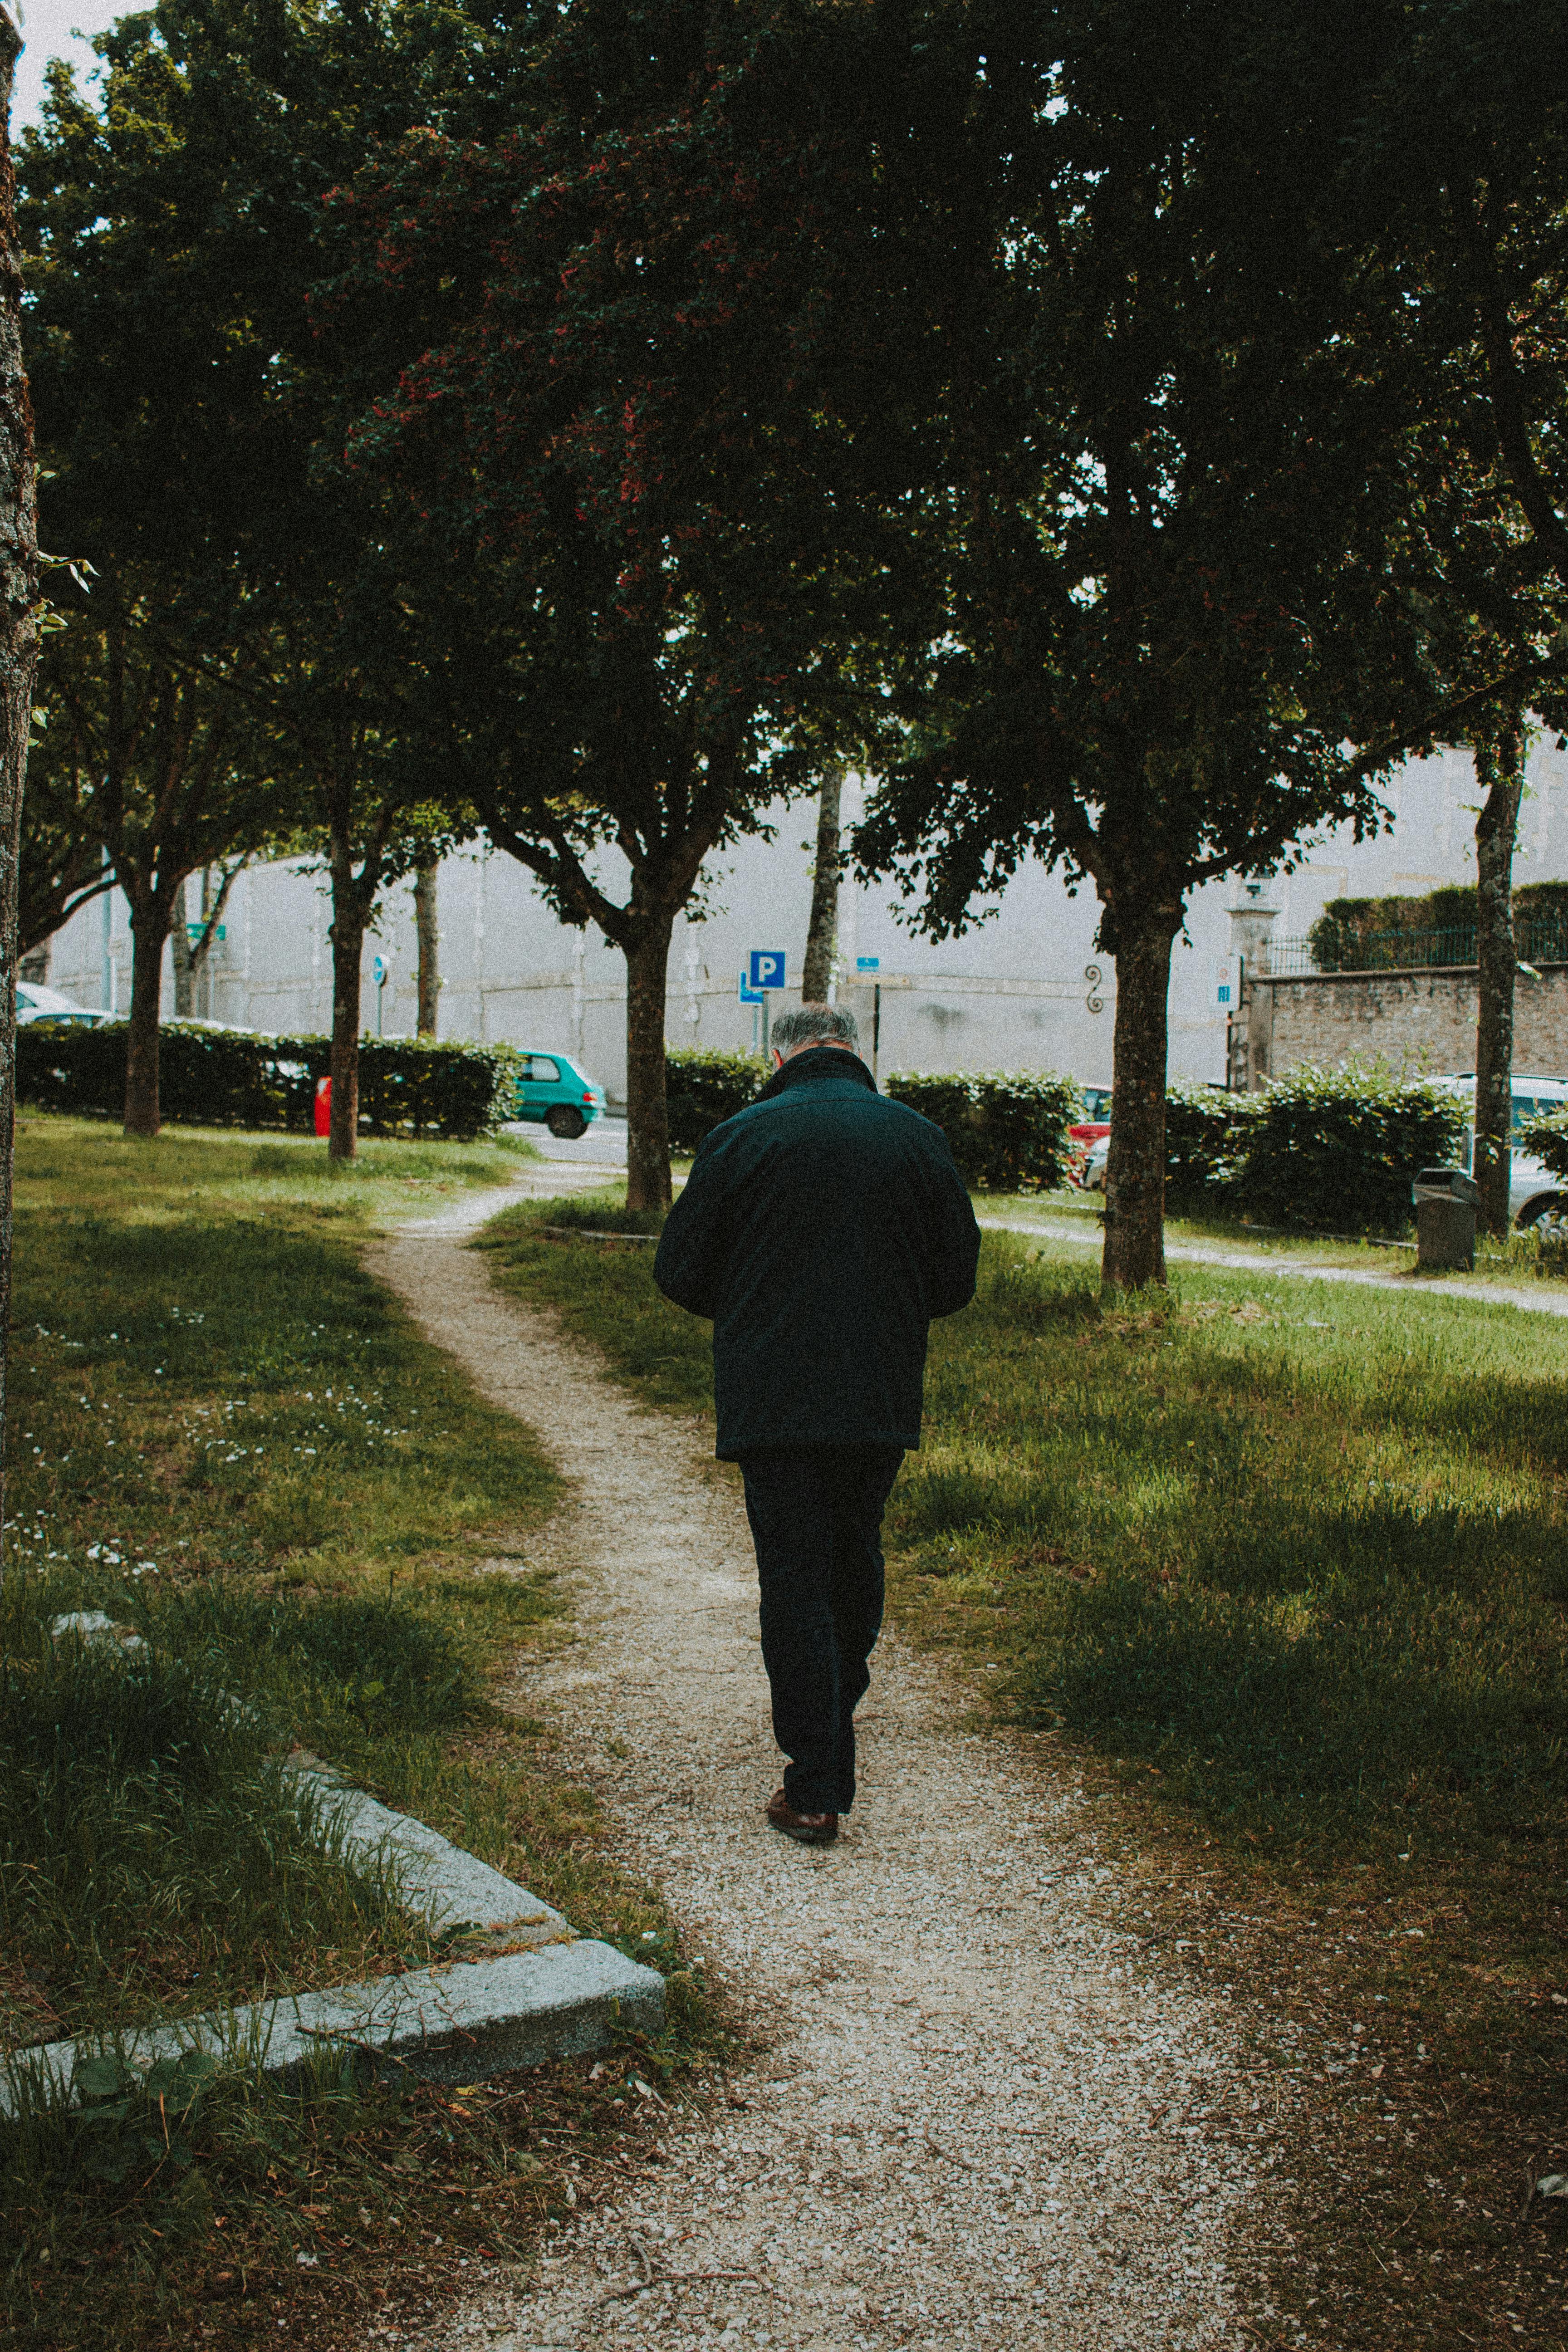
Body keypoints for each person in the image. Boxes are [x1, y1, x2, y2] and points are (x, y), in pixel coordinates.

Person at [652, 1002, 980, 1846]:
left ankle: (815, 1783)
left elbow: (679, 1270)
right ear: (854, 1051)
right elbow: (955, 1278)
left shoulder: (740, 1137)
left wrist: (754, 1306)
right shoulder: (916, 1137)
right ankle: (831, 1714)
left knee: (794, 1575)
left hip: (773, 1397)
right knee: (854, 1556)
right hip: (878, 1390)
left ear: (780, 1056)